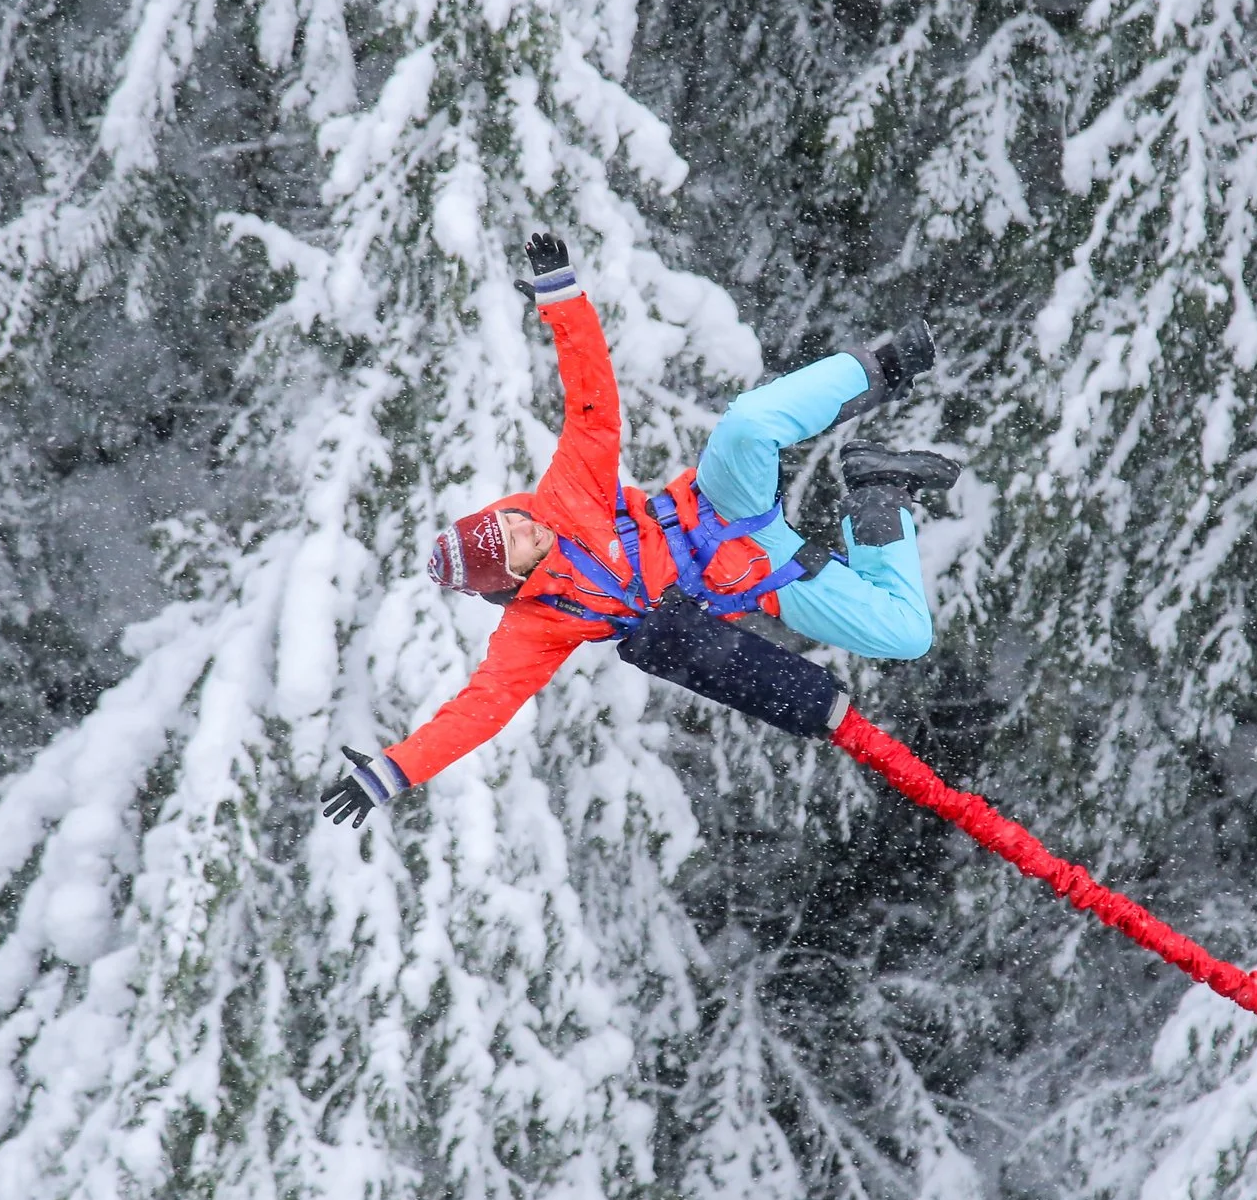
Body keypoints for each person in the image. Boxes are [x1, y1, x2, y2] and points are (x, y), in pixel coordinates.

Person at [321, 230, 960, 827]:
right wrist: (392, 772)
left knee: (745, 425)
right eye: (517, 543)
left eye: (510, 520)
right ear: (513, 579)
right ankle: (880, 488)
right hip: (765, 578)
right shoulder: (539, 626)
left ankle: (883, 365)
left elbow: (591, 404)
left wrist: (562, 304)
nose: (526, 528)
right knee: (905, 635)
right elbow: (480, 711)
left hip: (720, 506)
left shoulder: (564, 498)